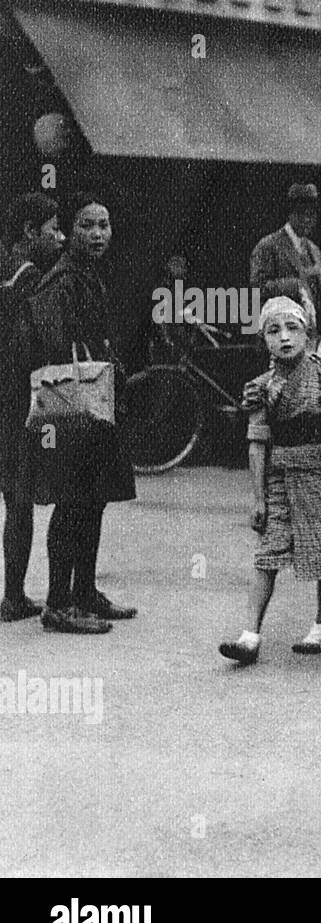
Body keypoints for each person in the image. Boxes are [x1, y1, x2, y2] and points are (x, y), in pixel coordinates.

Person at [217, 296, 321, 664]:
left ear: (307, 333)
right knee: (268, 554)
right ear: (263, 339)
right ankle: (250, 635)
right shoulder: (262, 387)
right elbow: (257, 443)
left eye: (292, 328)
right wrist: (258, 498)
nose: (284, 338)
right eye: (274, 331)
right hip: (282, 473)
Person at [23, 191, 137, 633]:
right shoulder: (64, 277)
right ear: (71, 231)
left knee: (93, 501)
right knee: (73, 502)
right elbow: (53, 341)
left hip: (96, 404)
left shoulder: (88, 273)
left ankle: (84, 592)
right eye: (87, 225)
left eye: (103, 225)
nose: (97, 233)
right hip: (74, 408)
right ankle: (57, 604)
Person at [1, 192, 62, 622]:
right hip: (14, 402)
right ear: (29, 232)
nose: (58, 237)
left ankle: (15, 596)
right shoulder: (28, 279)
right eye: (52, 229)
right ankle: (13, 596)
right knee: (19, 500)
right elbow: (26, 348)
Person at [250, 183, 321, 319]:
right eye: (302, 214)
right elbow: (257, 288)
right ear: (290, 214)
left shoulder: (314, 249)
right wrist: (296, 284)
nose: (308, 220)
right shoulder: (268, 245)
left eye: (312, 215)